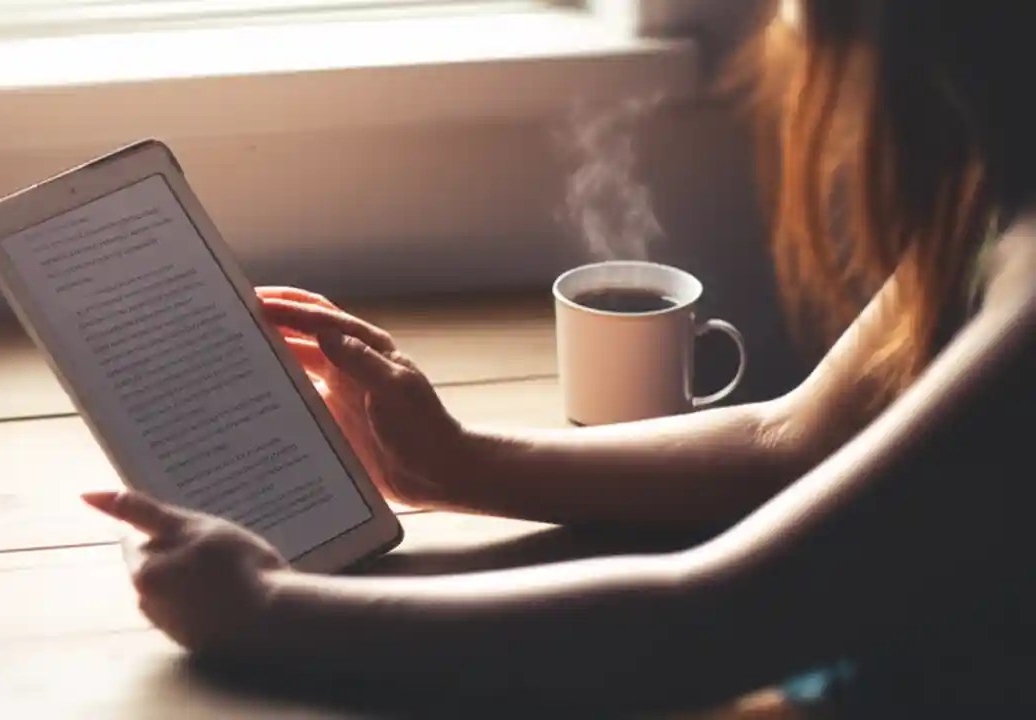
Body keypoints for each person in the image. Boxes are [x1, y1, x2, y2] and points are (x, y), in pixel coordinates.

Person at [81, 1, 1036, 715]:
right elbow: (791, 439)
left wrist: (265, 611)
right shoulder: (989, 189)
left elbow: (711, 625)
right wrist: (454, 462)